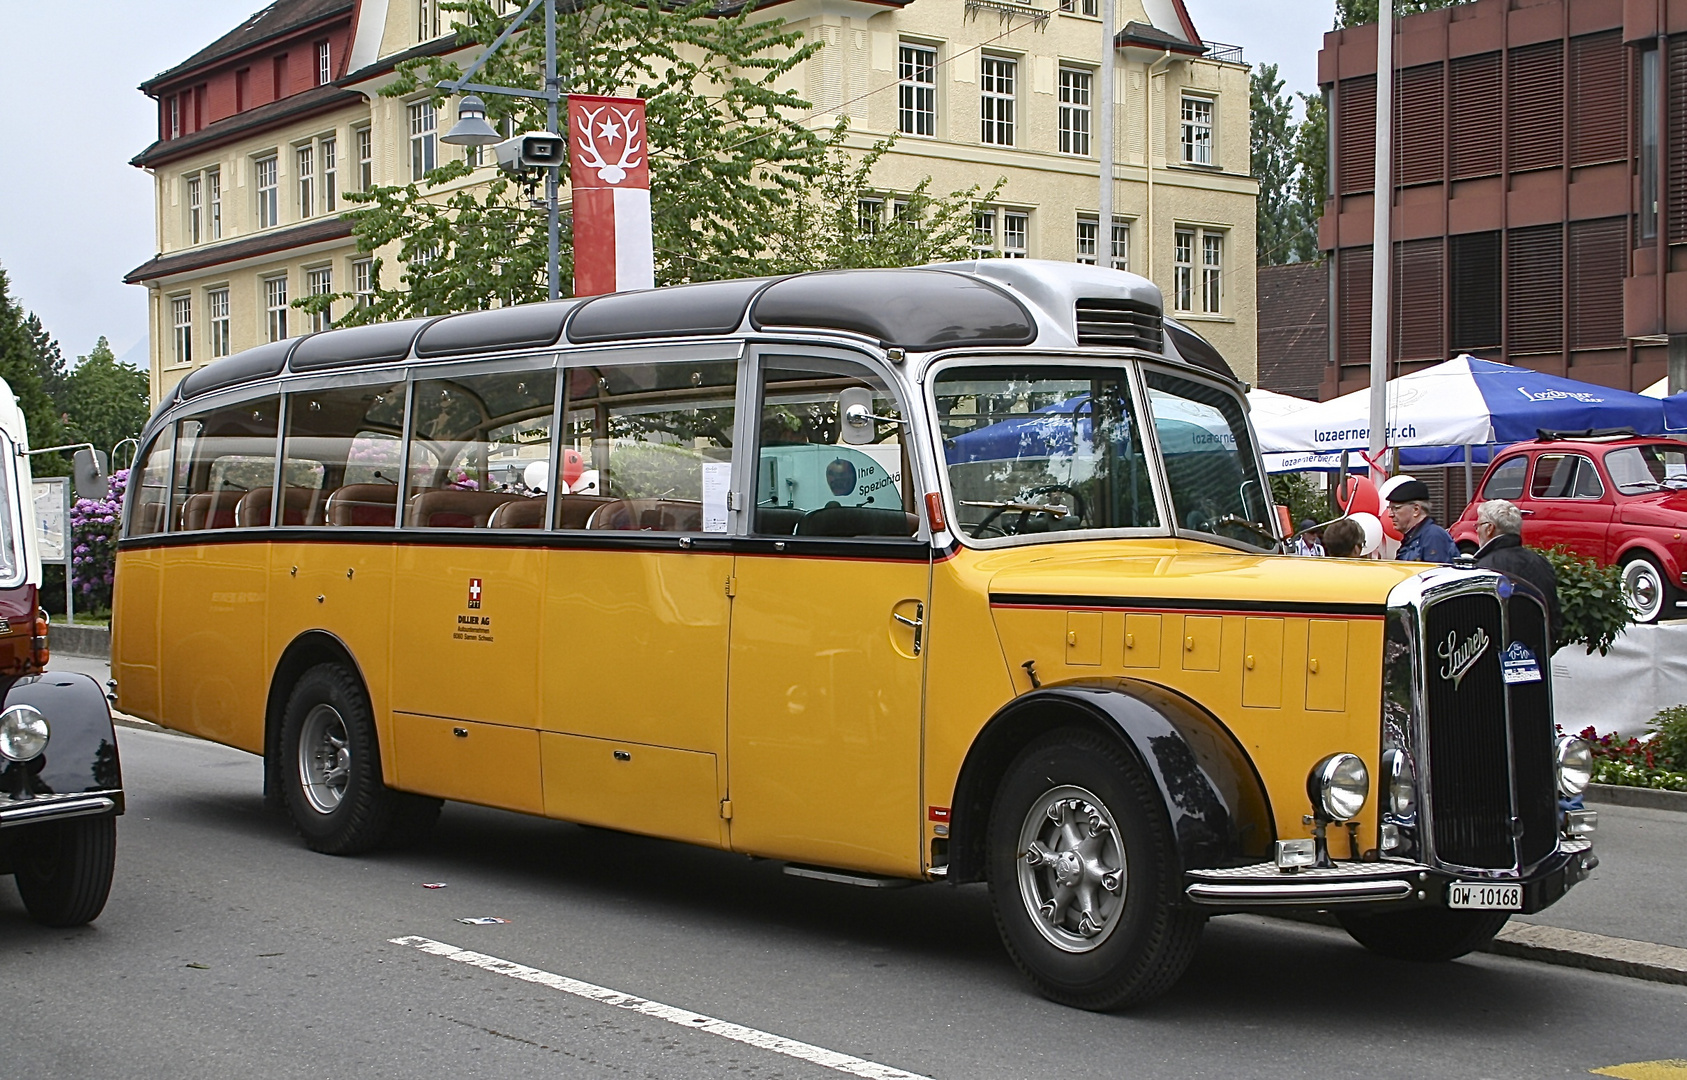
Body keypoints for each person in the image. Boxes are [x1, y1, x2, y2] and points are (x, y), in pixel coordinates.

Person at [1472, 498, 1562, 642]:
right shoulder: (1541, 562)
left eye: (1478, 525)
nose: (1476, 530)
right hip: (1538, 651)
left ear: (1489, 528)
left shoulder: (1483, 568)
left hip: (1495, 653)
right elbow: (1554, 617)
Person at [1386, 478, 1458, 564]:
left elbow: (1435, 575)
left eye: (1396, 508)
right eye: (1389, 509)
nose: (1390, 515)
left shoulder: (1433, 536)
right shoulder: (1415, 538)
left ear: (1416, 510)